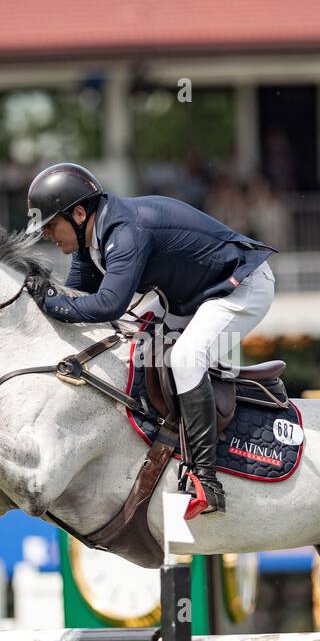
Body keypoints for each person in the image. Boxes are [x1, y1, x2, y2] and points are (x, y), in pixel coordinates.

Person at [24, 162, 277, 518]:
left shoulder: (125, 232)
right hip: (193, 295)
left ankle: (206, 480)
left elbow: (108, 305)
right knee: (136, 344)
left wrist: (49, 299)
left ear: (79, 213)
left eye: (51, 225)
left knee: (185, 359)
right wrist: (39, 297)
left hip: (240, 288)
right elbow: (77, 296)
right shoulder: (89, 238)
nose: (48, 234)